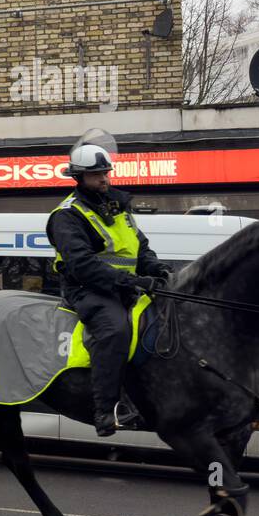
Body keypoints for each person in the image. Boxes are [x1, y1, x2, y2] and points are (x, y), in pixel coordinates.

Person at [46, 141, 171, 436]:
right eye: (96, 175)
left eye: (106, 172)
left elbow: (139, 248)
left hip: (125, 289)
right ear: (79, 178)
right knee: (115, 329)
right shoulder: (66, 215)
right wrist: (130, 282)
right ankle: (105, 410)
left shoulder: (118, 207)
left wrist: (157, 269)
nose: (104, 178)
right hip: (88, 290)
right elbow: (82, 264)